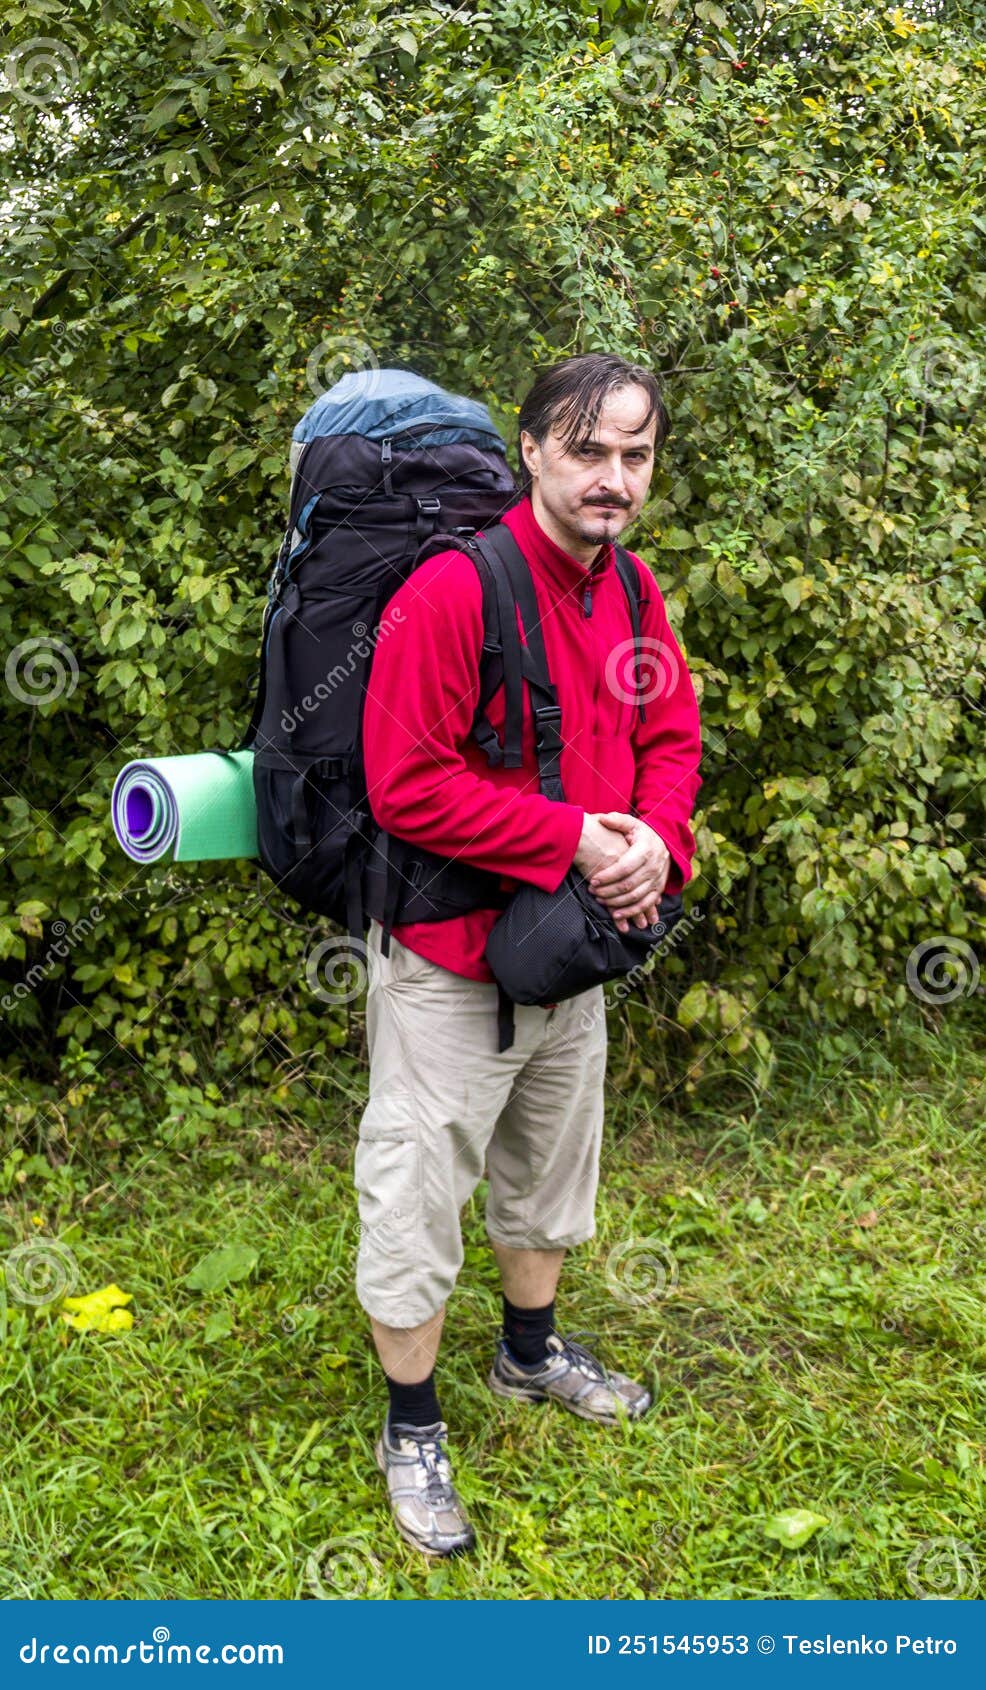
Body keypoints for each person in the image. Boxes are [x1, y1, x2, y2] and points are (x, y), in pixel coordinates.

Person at [357, 351, 702, 1557]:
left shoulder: (632, 591)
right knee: (417, 1192)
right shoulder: (454, 592)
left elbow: (669, 731)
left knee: (550, 1167)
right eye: (589, 450)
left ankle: (526, 1353)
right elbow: (403, 783)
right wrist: (572, 837)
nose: (613, 478)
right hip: (452, 954)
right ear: (534, 450)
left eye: (635, 454)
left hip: (570, 945)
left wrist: (656, 842)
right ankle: (411, 1424)